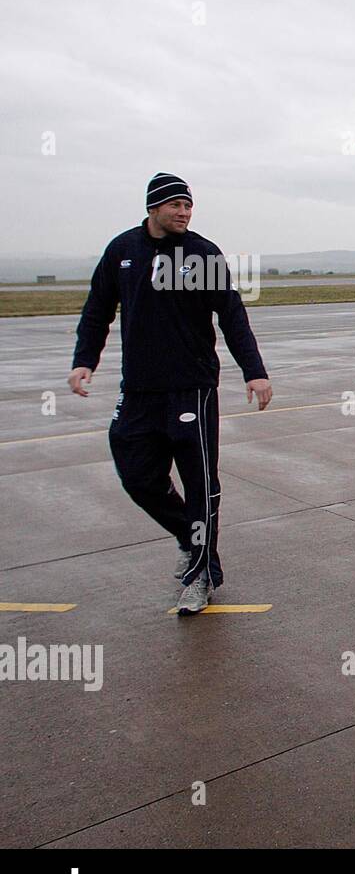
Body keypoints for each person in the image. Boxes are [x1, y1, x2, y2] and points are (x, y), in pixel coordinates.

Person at [69, 172, 272, 614]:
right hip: (139, 390)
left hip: (192, 388)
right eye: (176, 205)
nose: (184, 212)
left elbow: (232, 316)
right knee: (137, 474)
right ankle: (188, 536)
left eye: (189, 206)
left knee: (201, 485)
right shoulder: (123, 252)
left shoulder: (201, 254)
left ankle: (201, 573)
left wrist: (253, 371)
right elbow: (97, 308)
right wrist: (84, 359)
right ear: (153, 208)